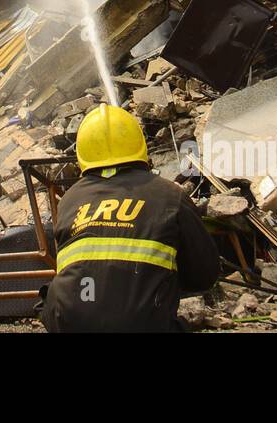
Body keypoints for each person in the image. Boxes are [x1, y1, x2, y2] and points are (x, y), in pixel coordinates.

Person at [41, 105, 220, 333]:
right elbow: (204, 275)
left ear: (82, 155)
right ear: (140, 146)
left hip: (68, 325)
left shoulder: (69, 200)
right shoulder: (170, 195)